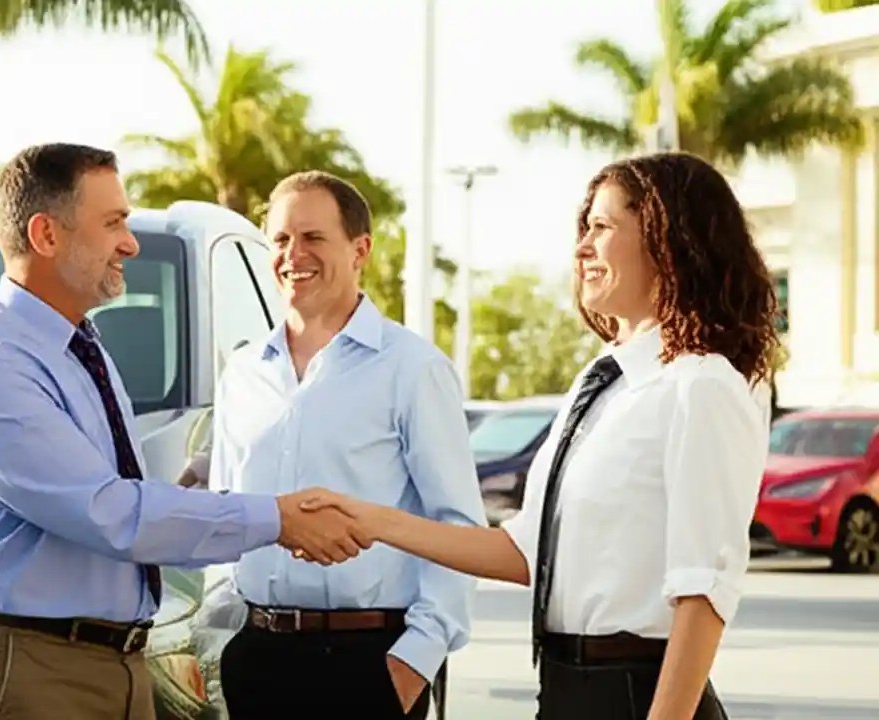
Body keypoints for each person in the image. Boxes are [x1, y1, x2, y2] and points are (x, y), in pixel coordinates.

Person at [299, 151, 779, 720]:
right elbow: (524, 552)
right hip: (566, 690)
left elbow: (704, 593)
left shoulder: (701, 386)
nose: (582, 248)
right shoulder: (604, 383)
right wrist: (368, 519)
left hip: (638, 695)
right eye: (584, 229)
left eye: (602, 228)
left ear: (667, 240)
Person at [0, 143, 368, 720]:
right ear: (46, 235)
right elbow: (113, 514)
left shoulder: (78, 348)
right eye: (113, 224)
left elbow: (112, 497)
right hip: (35, 668)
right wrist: (279, 520)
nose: (129, 243)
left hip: (107, 662)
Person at [208, 170, 487, 719]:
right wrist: (220, 637)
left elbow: (459, 528)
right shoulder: (241, 374)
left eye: (313, 238)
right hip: (256, 659)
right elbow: (225, 512)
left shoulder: (412, 368)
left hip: (368, 665)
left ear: (360, 249)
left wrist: (413, 662)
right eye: (282, 239)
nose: (294, 254)